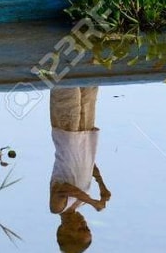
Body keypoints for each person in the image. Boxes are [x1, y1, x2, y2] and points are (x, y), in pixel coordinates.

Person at [48, 86, 110, 253]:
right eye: (87, 228)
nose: (84, 224)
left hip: (66, 131)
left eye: (81, 229)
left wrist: (92, 202)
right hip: (85, 134)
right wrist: (102, 186)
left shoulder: (57, 208)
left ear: (64, 231)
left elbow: (64, 189)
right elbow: (88, 164)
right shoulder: (80, 202)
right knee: (89, 83)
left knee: (67, 85)